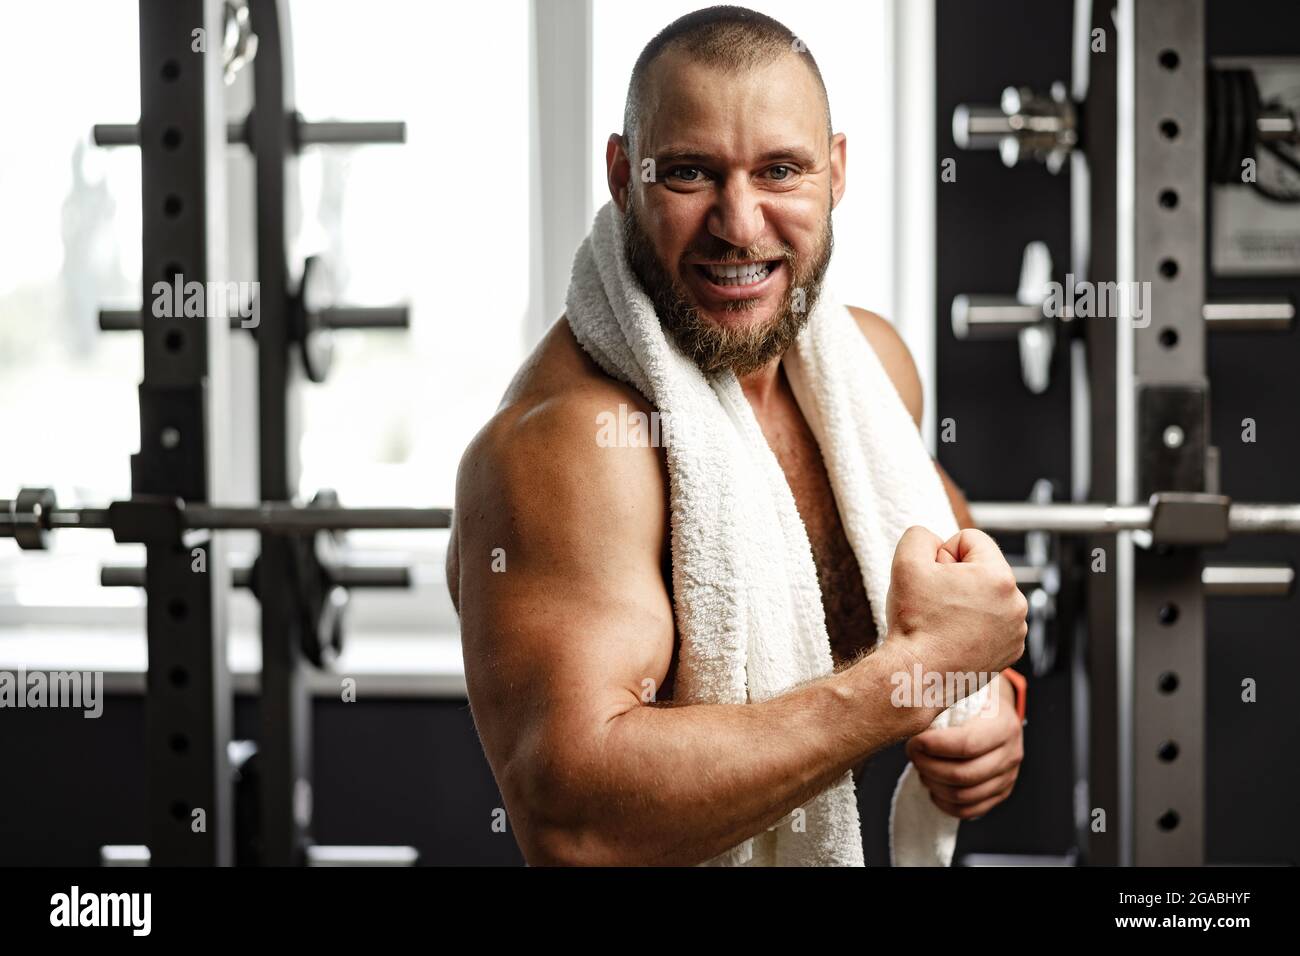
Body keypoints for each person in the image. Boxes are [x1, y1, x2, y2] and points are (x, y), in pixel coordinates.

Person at [447, 5, 1027, 865]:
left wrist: (989, 708)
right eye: (689, 173)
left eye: (780, 171)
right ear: (621, 174)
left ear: (835, 171)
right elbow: (574, 825)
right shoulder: (565, 447)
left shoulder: (871, 367)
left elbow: (955, 606)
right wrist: (906, 684)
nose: (741, 224)